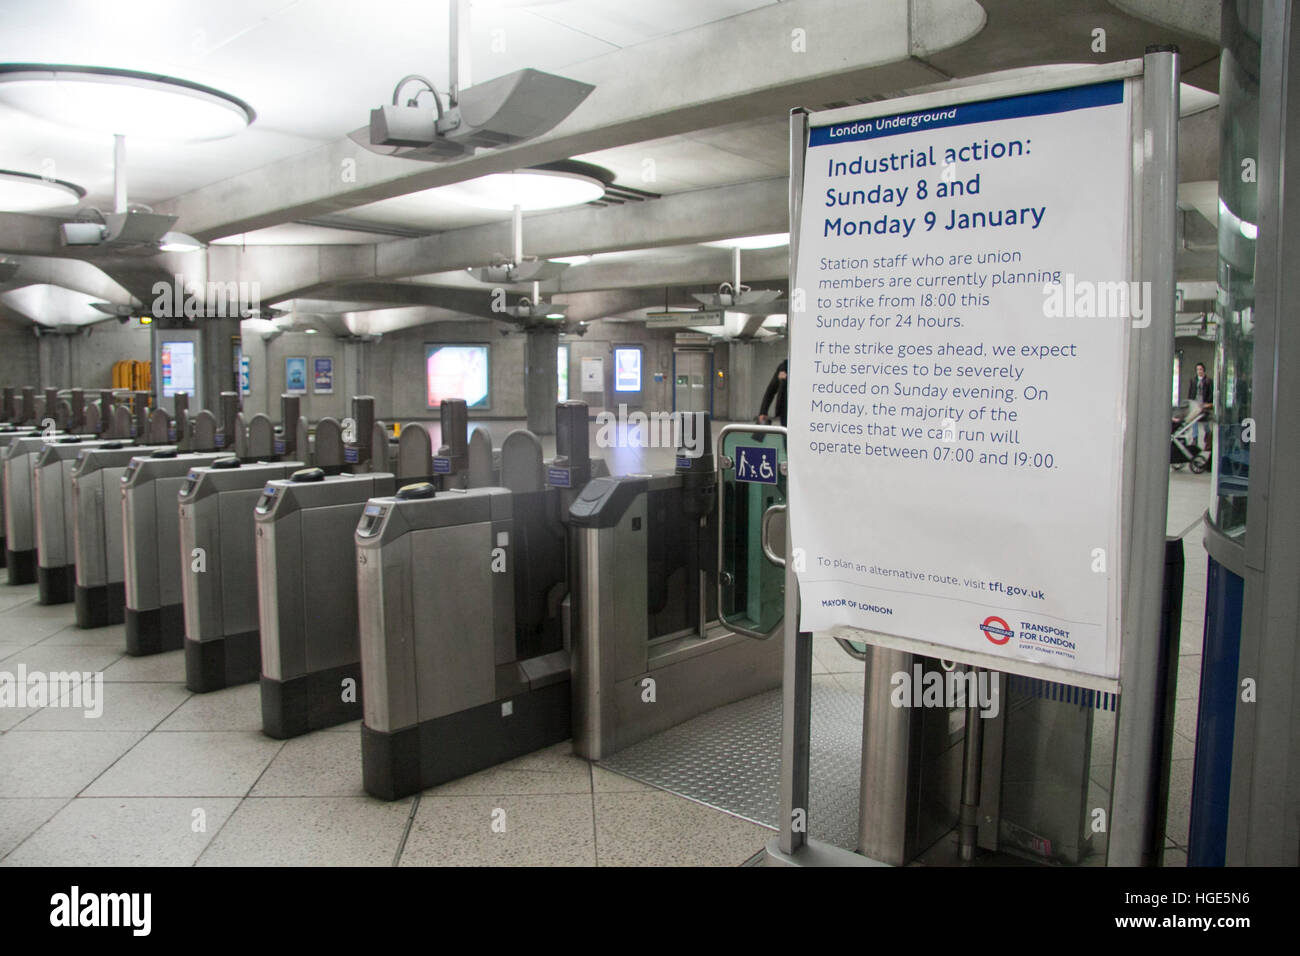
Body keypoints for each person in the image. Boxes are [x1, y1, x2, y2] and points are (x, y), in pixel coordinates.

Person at [1188, 362, 1213, 451]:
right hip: (1195, 403)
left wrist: (1207, 403)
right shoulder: (1193, 380)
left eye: (1200, 369)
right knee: (1194, 421)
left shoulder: (1208, 381)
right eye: (1197, 369)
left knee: (1205, 422)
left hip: (1204, 403)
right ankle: (1195, 439)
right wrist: (1190, 401)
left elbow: (1210, 393)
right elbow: (1191, 391)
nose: (1199, 371)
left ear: (1203, 370)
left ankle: (1208, 437)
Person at [758, 359, 788, 426]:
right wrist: (763, 411)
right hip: (785, 413)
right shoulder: (784, 367)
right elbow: (771, 390)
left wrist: (787, 379)